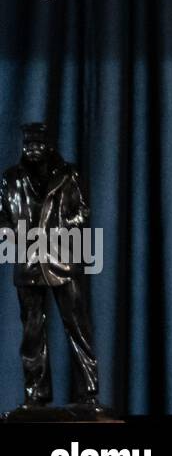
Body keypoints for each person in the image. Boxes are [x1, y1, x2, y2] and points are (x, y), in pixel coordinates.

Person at [0, 123, 100, 411]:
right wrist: (11, 235)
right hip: (29, 262)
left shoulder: (69, 175)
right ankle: (35, 394)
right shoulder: (11, 179)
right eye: (28, 144)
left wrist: (65, 227)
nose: (32, 149)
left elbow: (83, 210)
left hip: (62, 259)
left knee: (78, 327)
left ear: (49, 145)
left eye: (38, 144)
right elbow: (2, 216)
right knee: (32, 334)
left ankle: (89, 392)